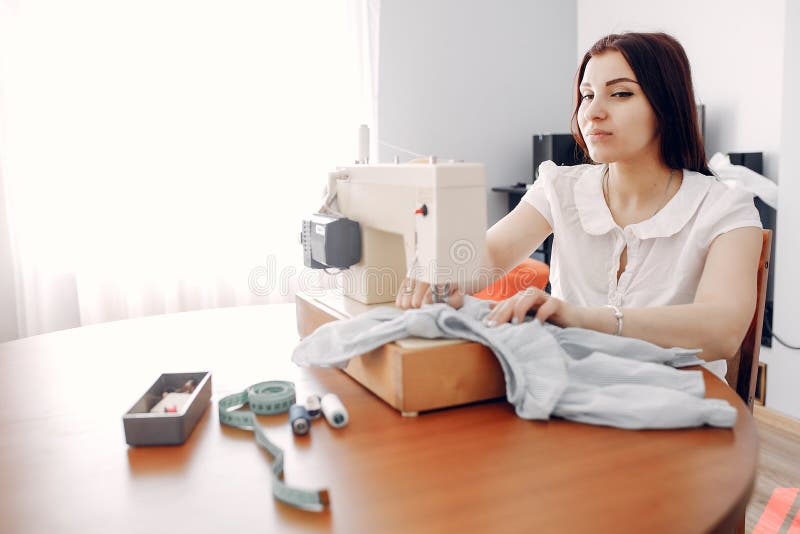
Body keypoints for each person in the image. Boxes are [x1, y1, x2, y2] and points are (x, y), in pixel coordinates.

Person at [396, 32, 763, 381]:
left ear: (666, 105)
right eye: (587, 95)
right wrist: (443, 272)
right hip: (567, 385)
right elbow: (491, 254)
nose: (593, 112)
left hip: (677, 403)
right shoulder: (561, 187)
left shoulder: (726, 206)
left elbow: (722, 330)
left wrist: (580, 318)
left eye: (619, 94)